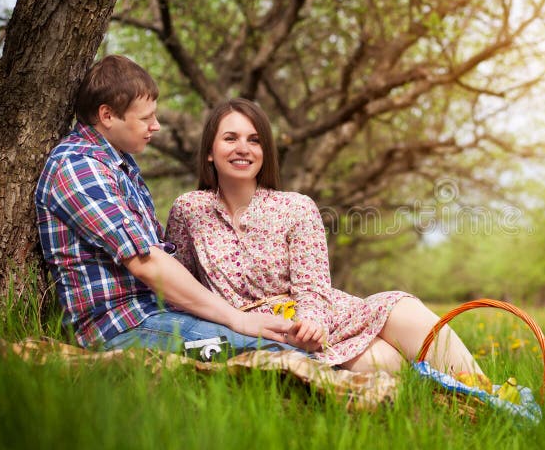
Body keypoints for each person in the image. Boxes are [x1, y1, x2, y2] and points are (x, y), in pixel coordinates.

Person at [166, 97, 486, 376]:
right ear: (210, 151)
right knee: (386, 364)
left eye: (255, 140)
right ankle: (447, 402)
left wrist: (312, 324)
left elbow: (313, 288)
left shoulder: (296, 207)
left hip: (319, 320)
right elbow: (179, 285)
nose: (243, 149)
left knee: (402, 307)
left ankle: (492, 396)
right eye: (230, 138)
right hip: (261, 334)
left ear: (266, 151)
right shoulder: (189, 210)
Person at [35, 55, 302, 354]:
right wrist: (237, 319)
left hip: (154, 314)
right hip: (121, 325)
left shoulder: (118, 164)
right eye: (146, 118)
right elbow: (147, 263)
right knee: (277, 353)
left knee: (288, 344)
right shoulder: (77, 167)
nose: (156, 125)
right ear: (108, 115)